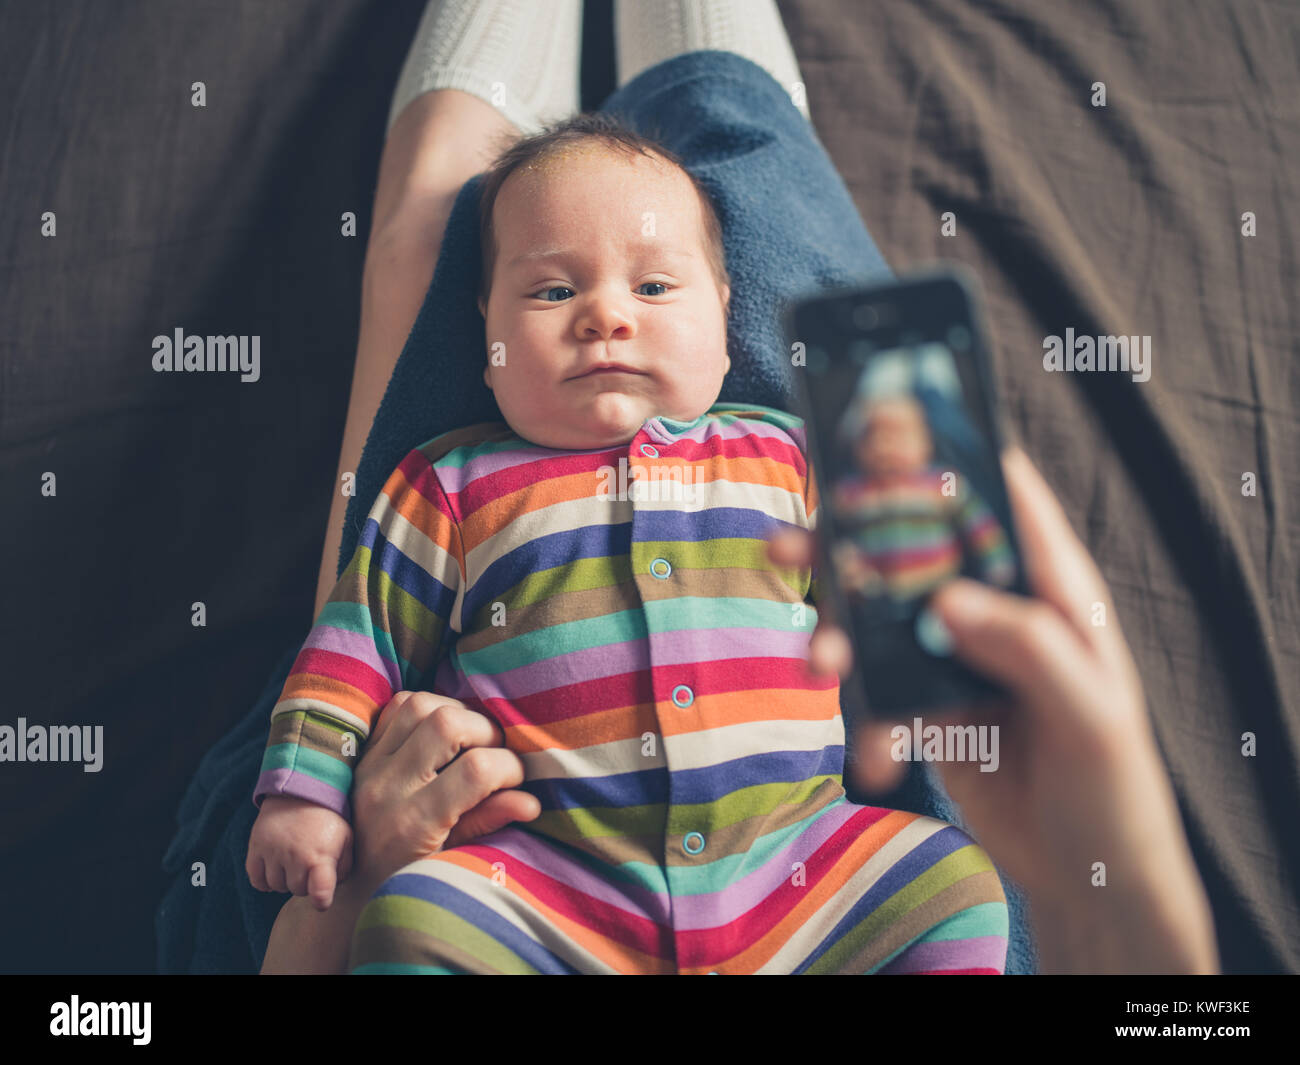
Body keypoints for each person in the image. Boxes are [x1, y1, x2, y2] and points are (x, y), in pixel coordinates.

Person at [258, 0, 1218, 974]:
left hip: (793, 873)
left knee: (946, 879)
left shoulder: (786, 455)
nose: (603, 317)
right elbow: (357, 642)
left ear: (729, 324)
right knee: (422, 910)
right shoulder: (452, 484)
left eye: (654, 288)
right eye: (551, 293)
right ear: (487, 347)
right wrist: (306, 790)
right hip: (558, 889)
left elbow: (886, 597)